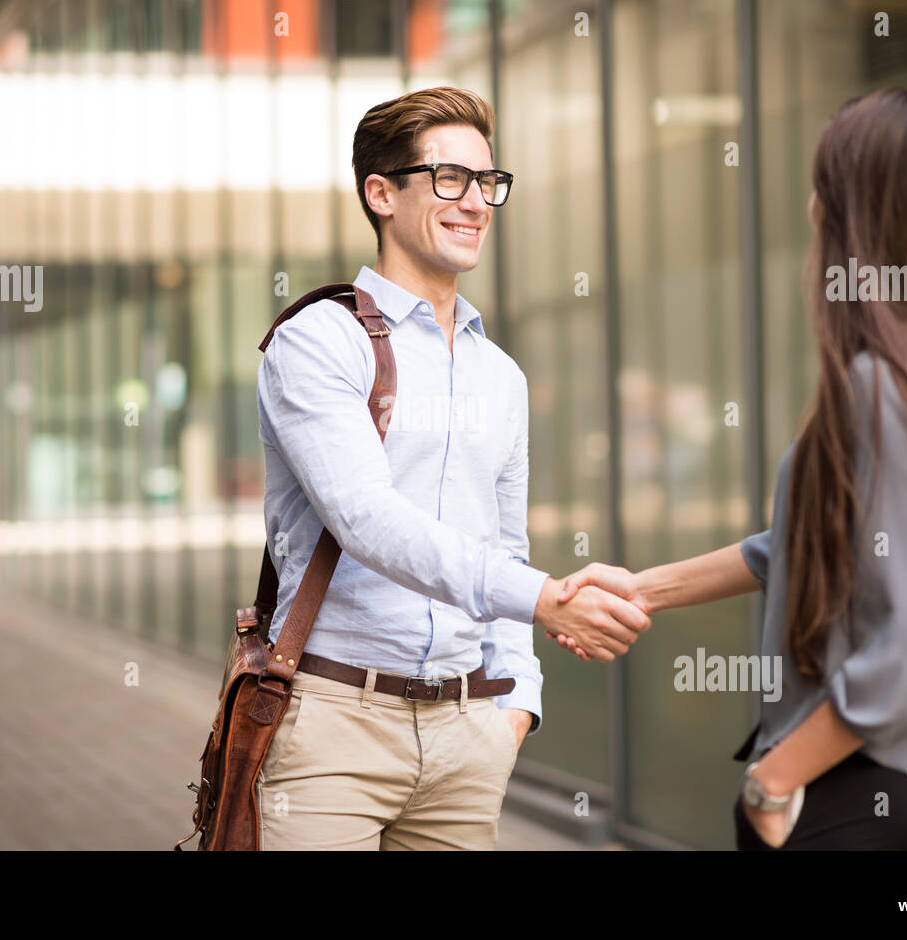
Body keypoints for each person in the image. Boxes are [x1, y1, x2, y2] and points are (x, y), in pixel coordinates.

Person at [554, 87, 907, 849]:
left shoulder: (887, 383)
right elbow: (802, 540)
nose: (813, 208)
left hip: (858, 787)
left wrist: (773, 779)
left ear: (850, 216)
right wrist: (642, 588)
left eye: (824, 187)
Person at [254, 85, 649, 850]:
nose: (475, 202)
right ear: (381, 193)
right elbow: (367, 518)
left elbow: (505, 544)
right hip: (335, 728)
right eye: (449, 178)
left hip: (470, 736)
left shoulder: (502, 376)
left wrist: (514, 711)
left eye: (488, 182)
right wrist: (545, 600)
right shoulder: (317, 342)